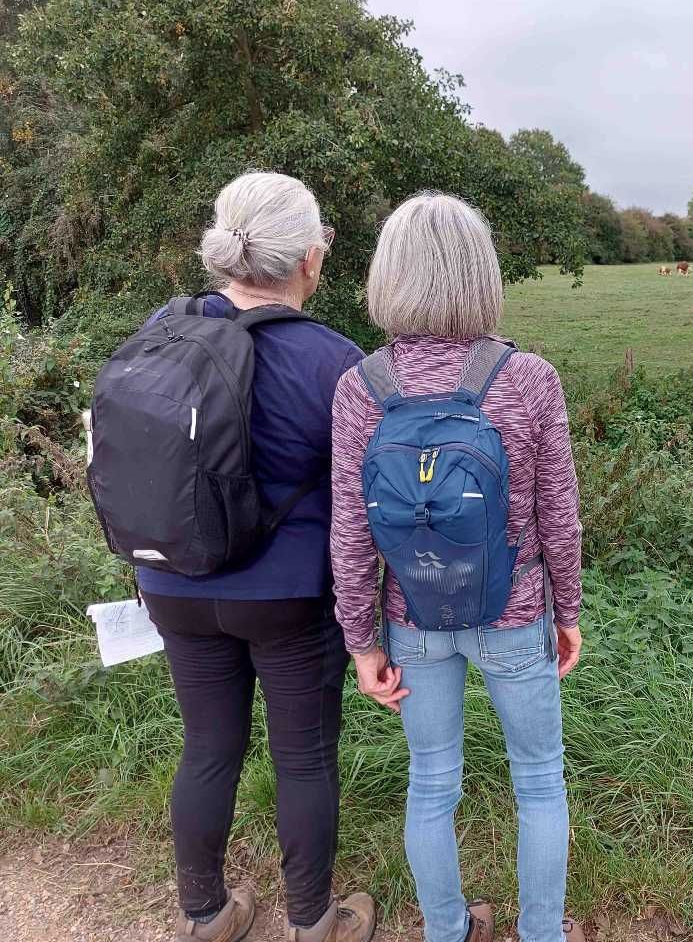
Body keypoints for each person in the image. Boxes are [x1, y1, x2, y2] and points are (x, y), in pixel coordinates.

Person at [330, 192, 585, 942]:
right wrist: (566, 612)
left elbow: (351, 529)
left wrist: (362, 639)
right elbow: (558, 518)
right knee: (538, 779)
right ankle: (542, 934)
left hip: (413, 617)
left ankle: (449, 930)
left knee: (432, 782)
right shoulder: (528, 377)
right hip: (514, 611)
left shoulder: (361, 387)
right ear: (481, 274)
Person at [136, 172, 377, 942]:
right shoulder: (334, 360)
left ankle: (206, 912)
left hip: (171, 579)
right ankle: (313, 921)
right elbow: (364, 501)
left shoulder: (159, 330)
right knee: (304, 757)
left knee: (207, 746)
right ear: (310, 258)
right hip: (287, 599)